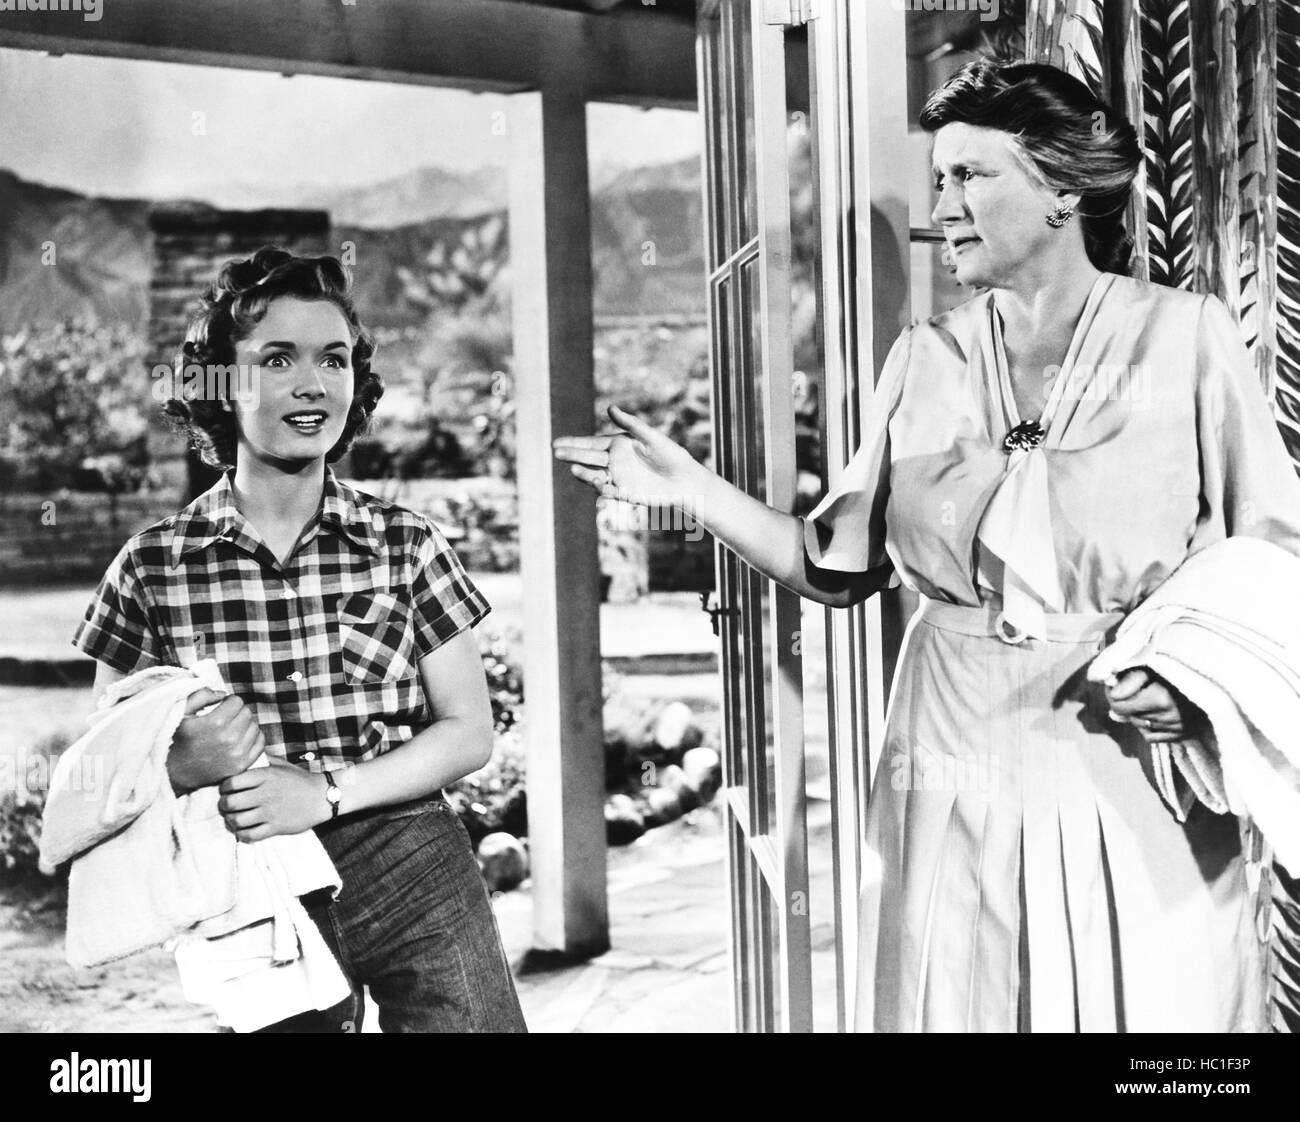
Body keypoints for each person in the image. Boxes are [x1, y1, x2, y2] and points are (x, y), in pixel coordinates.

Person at [555, 60, 1300, 1032]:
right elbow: (834, 566)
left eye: (968, 177)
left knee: (1153, 1020)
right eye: (937, 177)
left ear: (1060, 191)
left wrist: (1195, 678)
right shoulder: (926, 355)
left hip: (1124, 755)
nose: (940, 204)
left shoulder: (1185, 342)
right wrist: (691, 491)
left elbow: (1275, 551)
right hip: (948, 752)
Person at [74, 247, 526, 1033]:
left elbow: (469, 731)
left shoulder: (406, 545)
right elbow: (108, 771)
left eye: (334, 359)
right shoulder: (152, 569)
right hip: (248, 881)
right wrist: (187, 763)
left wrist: (325, 792)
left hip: (412, 857)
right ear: (221, 384)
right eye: (276, 359)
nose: (313, 384)